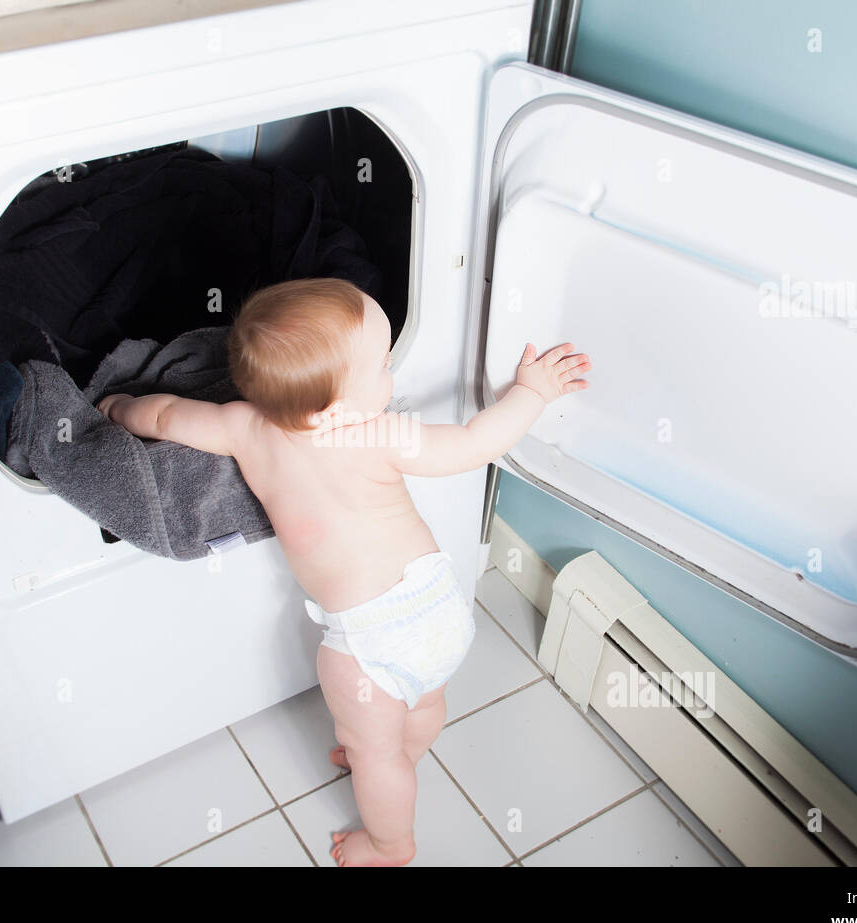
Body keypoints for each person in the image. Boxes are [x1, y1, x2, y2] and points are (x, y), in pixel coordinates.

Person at [98, 277, 589, 865]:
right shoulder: (378, 434)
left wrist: (117, 408)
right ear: (335, 408)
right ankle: (403, 756)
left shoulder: (244, 427)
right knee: (425, 705)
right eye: (382, 365)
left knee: (371, 752)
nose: (391, 374)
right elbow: (473, 443)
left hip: (369, 643)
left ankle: (389, 839)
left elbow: (169, 415)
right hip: (438, 607)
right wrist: (530, 394)